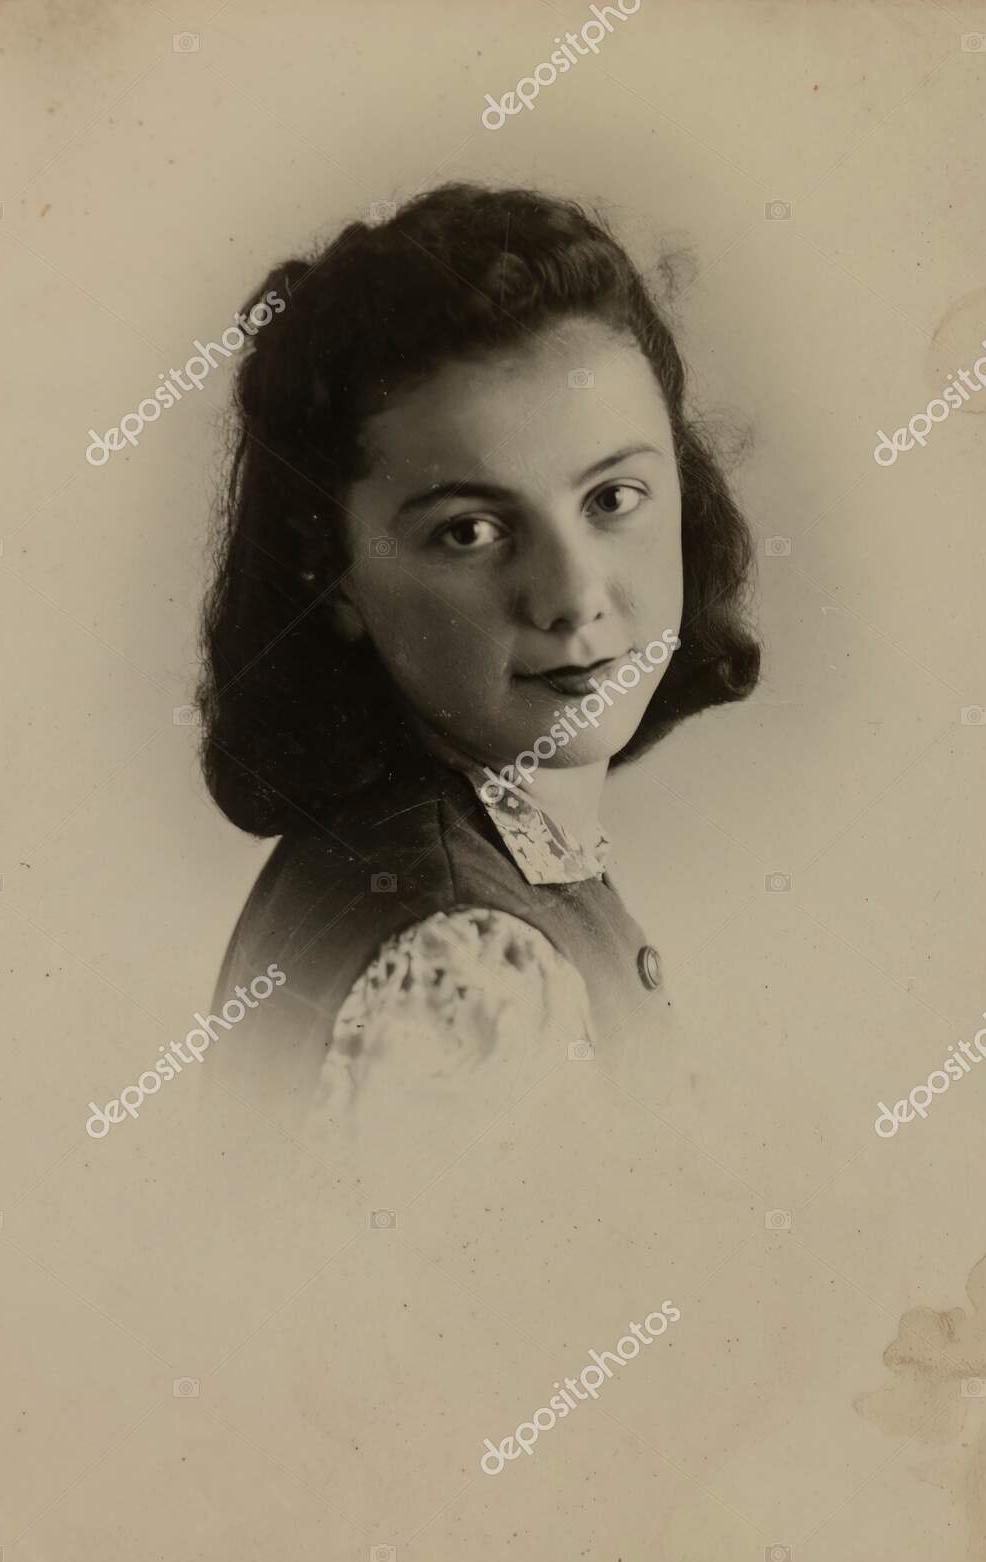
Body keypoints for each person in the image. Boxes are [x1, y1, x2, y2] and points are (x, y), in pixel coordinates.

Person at [197, 183, 759, 1133]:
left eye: (612, 499)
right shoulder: (464, 963)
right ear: (331, 574)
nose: (572, 596)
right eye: (470, 530)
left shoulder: (392, 854)